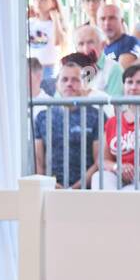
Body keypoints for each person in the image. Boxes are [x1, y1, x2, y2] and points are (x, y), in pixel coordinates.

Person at [35, 54, 101, 190]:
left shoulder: (96, 116)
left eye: (75, 80)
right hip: (50, 190)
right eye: (64, 80)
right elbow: (38, 160)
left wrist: (75, 188)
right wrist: (48, 185)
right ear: (57, 85)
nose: (69, 84)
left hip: (85, 192)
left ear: (84, 84)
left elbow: (98, 161)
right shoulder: (42, 116)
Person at [91, 63, 139, 190]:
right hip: (118, 174)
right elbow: (102, 160)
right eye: (130, 82)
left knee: (129, 192)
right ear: (124, 86)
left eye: (139, 82)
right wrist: (117, 166)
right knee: (99, 177)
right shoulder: (113, 121)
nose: (134, 87)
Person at [28, 0, 68, 91]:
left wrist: (55, 19)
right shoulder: (30, 23)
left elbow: (58, 42)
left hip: (48, 68)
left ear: (53, 2)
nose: (38, 3)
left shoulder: (56, 24)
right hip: (30, 67)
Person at [75, 23, 123, 98]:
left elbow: (116, 105)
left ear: (103, 45)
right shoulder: (71, 69)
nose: (85, 49)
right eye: (81, 44)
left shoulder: (114, 68)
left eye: (90, 42)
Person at [98, 4, 138, 68]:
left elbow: (123, 73)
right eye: (103, 19)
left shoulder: (129, 42)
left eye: (112, 18)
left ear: (121, 21)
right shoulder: (100, 47)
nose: (107, 23)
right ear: (98, 22)